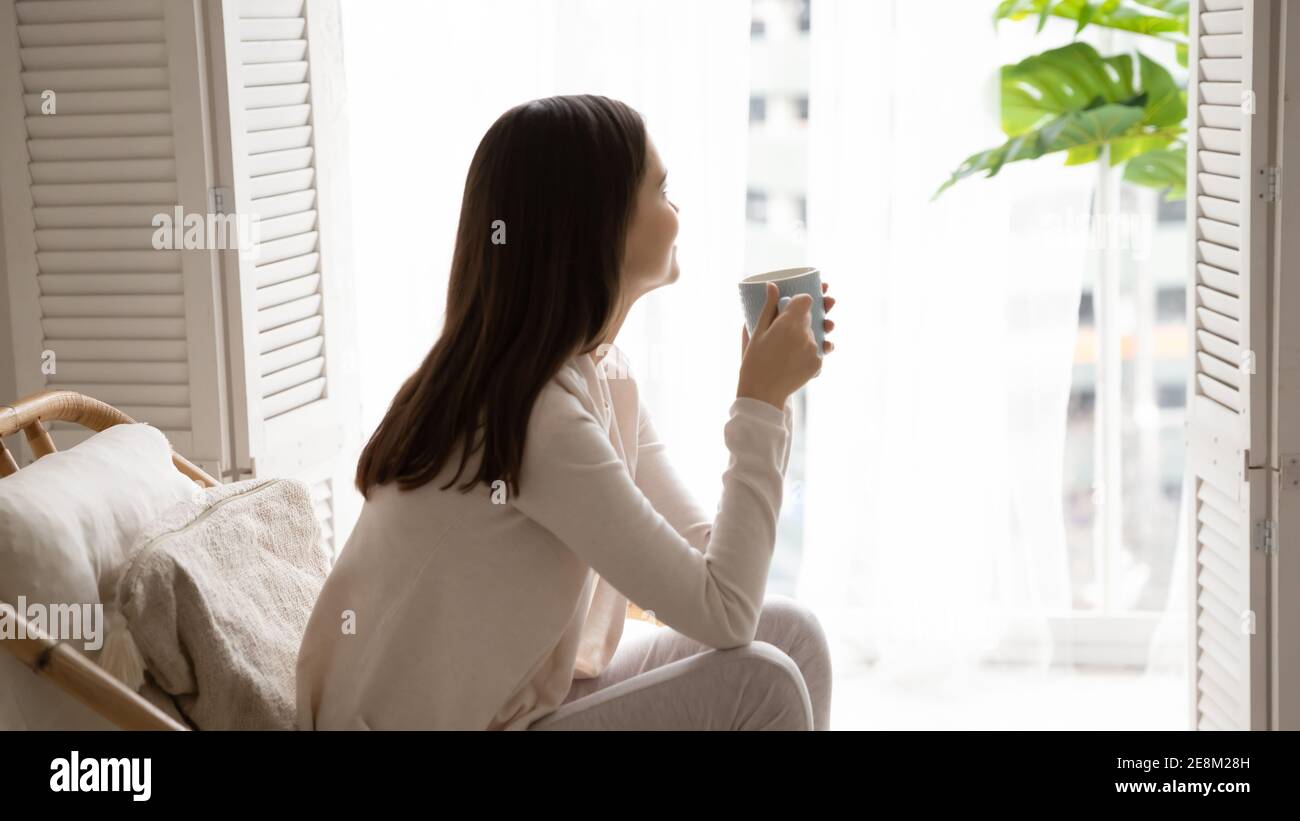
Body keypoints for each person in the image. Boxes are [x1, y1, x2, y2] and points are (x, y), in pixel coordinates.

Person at [296, 94, 836, 730]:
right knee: (762, 680)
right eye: (661, 191)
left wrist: (767, 390)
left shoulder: (600, 375)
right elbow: (724, 612)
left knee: (793, 634)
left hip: (510, 708)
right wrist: (762, 404)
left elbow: (712, 572)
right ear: (599, 227)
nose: (677, 210)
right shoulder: (534, 415)